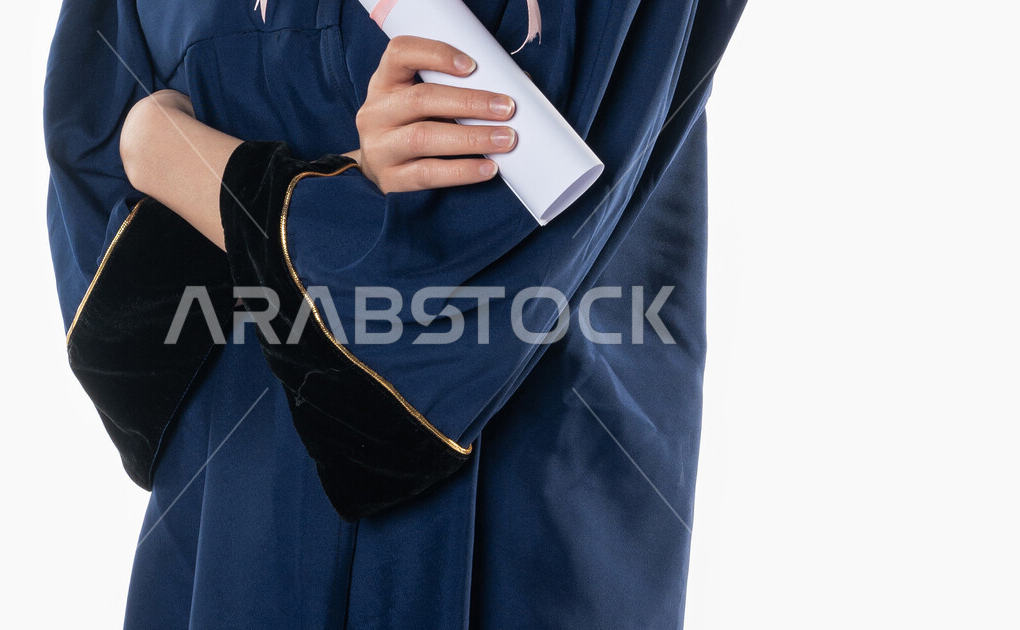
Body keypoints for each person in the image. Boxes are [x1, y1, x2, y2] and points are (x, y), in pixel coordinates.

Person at [44, 0, 745, 627]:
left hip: (522, 512)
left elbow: (480, 248)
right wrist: (334, 190)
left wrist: (166, 149)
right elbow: (111, 278)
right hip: (228, 526)